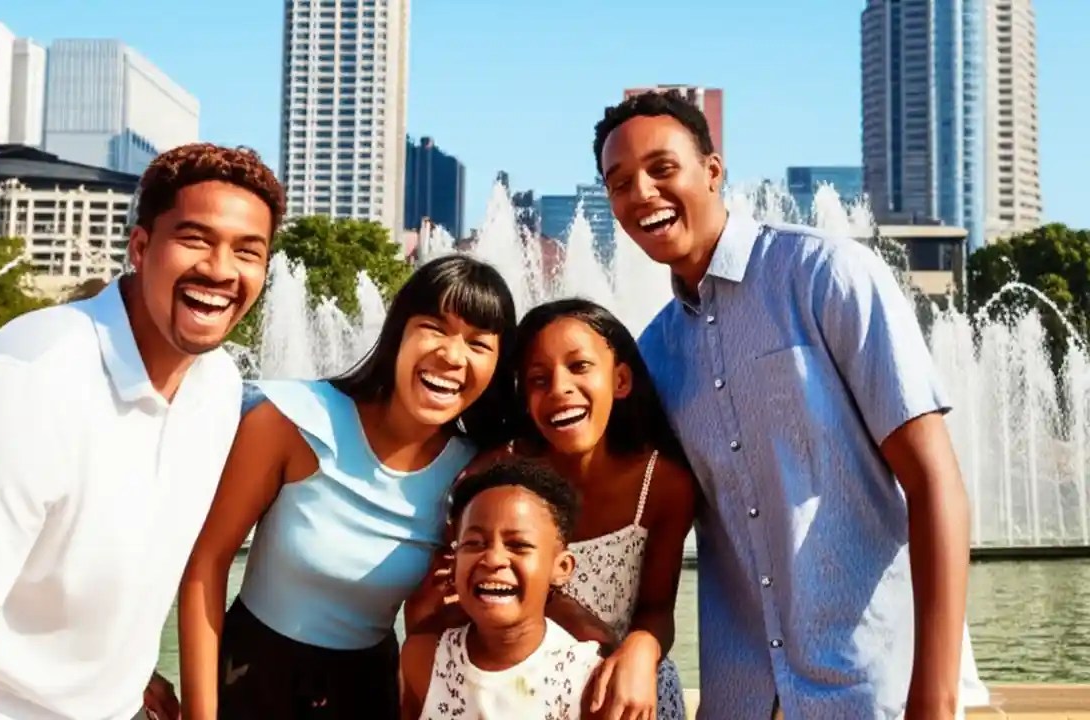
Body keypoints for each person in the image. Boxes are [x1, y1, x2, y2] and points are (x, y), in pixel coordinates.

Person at [593, 88, 987, 719]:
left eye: (662, 169)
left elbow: (935, 482)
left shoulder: (827, 274)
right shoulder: (655, 353)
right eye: (619, 183)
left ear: (713, 171)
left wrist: (934, 701)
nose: (640, 193)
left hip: (874, 688)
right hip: (743, 696)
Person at [0, 143, 285, 720]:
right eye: (194, 239)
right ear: (140, 248)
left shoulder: (217, 385)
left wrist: (127, 676)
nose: (221, 270)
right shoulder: (28, 383)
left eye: (248, 251)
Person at [177, 254, 518, 720]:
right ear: (399, 330)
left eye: (479, 344)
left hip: (366, 691)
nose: (452, 356)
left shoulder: (472, 471)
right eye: (434, 328)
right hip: (251, 677)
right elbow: (207, 564)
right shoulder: (292, 420)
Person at [506, 298, 695, 720]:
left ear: (621, 380)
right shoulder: (500, 474)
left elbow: (657, 609)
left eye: (579, 367)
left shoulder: (662, 484)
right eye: (538, 379)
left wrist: (641, 649)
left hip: (621, 689)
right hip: (521, 687)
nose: (559, 389)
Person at [400, 458, 605, 720]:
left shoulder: (588, 682)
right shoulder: (424, 660)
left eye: (518, 545)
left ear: (561, 567)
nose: (493, 559)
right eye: (474, 543)